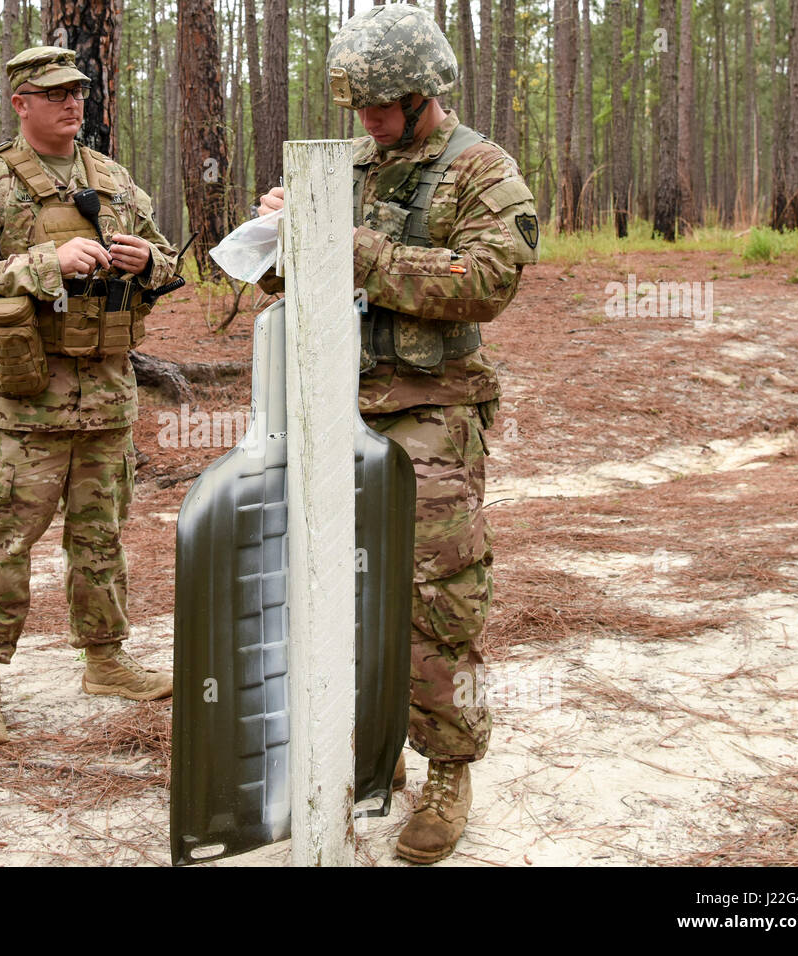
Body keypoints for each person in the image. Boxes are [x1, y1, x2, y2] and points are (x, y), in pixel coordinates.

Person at [256, 4, 539, 863]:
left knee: (437, 602)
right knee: (328, 593)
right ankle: (354, 754)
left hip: (431, 417)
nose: (369, 122)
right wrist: (285, 230)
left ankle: (449, 769)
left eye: (382, 107)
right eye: (361, 109)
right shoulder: (353, 166)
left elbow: (487, 282)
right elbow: (298, 278)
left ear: (425, 95)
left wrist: (360, 249)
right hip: (334, 406)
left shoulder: (482, 170)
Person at [0, 45, 179, 747]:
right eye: (55, 93)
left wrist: (147, 262)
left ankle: (105, 660)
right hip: (21, 406)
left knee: (100, 540)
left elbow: (166, 260)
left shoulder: (112, 179)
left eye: (77, 91)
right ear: (21, 103)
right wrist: (47, 262)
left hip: (105, 399)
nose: (73, 103)